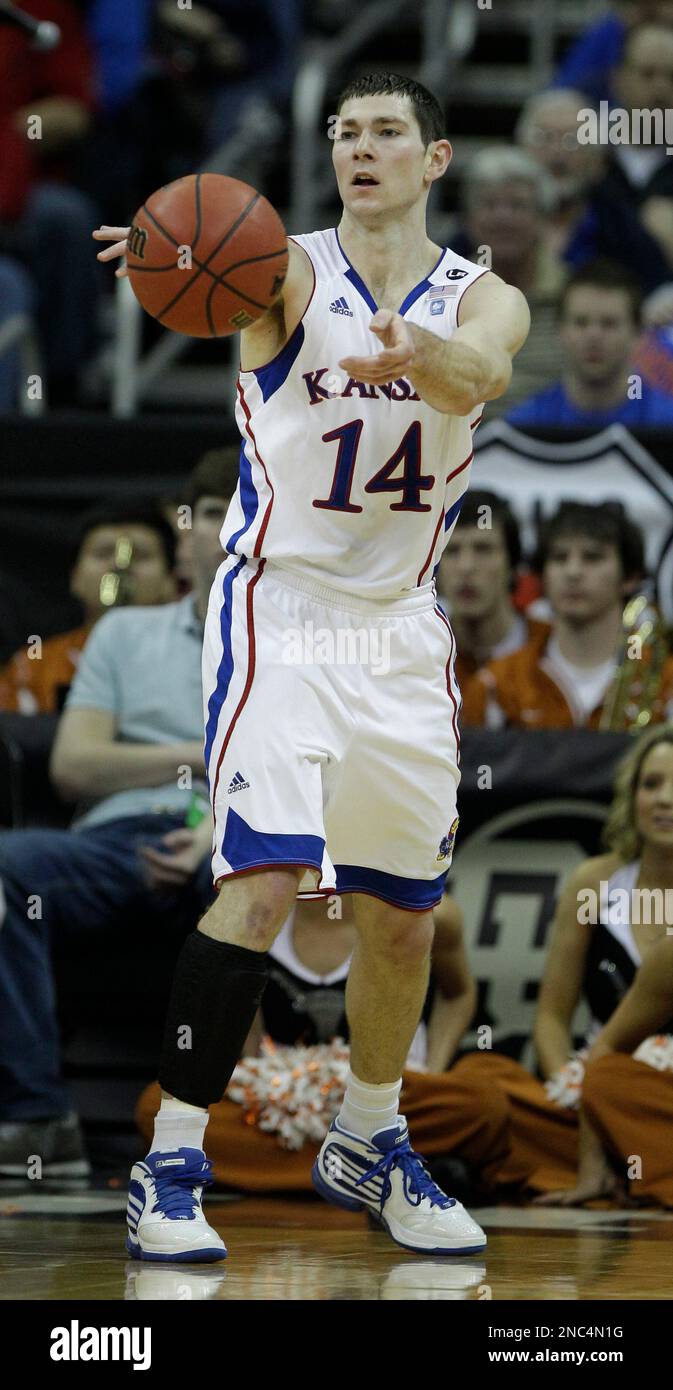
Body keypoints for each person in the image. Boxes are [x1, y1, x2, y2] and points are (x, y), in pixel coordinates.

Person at [93, 69, 530, 1261]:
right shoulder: (282, 265)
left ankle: (371, 1138)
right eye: (344, 133)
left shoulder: (486, 297)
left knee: (403, 919)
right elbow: (218, 260)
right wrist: (171, 251)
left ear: (435, 160)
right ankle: (171, 1159)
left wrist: (424, 356)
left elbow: (482, 373)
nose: (360, 149)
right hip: (280, 605)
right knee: (266, 884)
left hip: (398, 622)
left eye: (388, 132)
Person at [0, 458, 233, 1175]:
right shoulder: (124, 634)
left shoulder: (296, 640)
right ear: (183, 530)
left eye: (251, 509)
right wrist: (200, 755)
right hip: (117, 842)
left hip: (234, 841)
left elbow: (312, 767)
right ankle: (39, 1119)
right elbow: (75, 765)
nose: (232, 531)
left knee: (259, 875)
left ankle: (235, 1117)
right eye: (215, 513)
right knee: (6, 867)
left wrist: (208, 833)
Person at [136, 893, 515, 1199]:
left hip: (392, 1096)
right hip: (284, 1107)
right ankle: (377, 1173)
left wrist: (433, 1068)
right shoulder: (251, 909)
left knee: (483, 1105)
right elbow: (247, 1045)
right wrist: (270, 1095)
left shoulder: (433, 912)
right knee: (157, 1106)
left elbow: (460, 993)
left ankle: (293, 1175)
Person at [453, 723, 673, 1208]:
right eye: (651, 784)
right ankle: (623, 1163)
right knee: (485, 1081)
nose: (664, 800)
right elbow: (552, 1019)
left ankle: (610, 1163)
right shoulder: (593, 883)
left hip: (654, 1097)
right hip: (594, 1093)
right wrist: (571, 1088)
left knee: (620, 1086)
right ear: (630, 795)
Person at [461, 500, 673, 730]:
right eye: (559, 558)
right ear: (542, 575)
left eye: (592, 557)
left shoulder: (665, 682)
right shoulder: (496, 684)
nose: (573, 572)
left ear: (630, 577)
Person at [0, 502, 177, 714]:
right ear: (75, 578)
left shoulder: (200, 660)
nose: (120, 566)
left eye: (138, 555)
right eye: (103, 553)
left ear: (171, 581)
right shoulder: (33, 666)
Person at [516, 89, 673, 295]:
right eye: (543, 137)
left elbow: (658, 291)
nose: (557, 152)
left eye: (572, 140)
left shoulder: (622, 227)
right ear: (521, 150)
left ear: (597, 161)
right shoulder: (493, 221)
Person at [450, 147, 566, 415]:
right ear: (469, 220)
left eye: (518, 205)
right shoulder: (442, 292)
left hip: (553, 440)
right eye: (489, 204)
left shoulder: (572, 294)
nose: (503, 218)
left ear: (543, 218)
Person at [507, 259, 673, 428]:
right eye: (581, 322)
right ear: (559, 330)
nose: (594, 336)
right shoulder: (524, 426)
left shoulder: (666, 425)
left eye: (609, 323)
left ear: (637, 333)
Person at [436, 490, 547, 691]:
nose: (466, 567)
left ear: (513, 564)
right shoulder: (418, 650)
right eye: (452, 551)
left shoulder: (549, 648)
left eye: (483, 549)